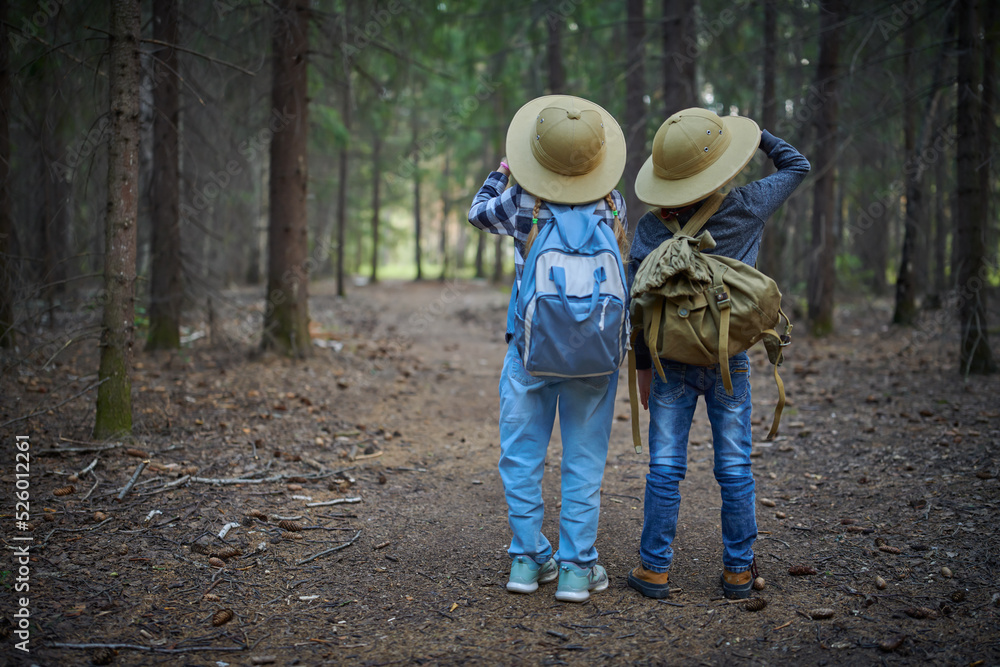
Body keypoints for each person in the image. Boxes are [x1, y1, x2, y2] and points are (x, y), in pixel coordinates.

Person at [625, 108, 810, 600]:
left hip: (670, 365)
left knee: (665, 468)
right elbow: (797, 166)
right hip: (731, 361)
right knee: (734, 468)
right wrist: (757, 133)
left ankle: (655, 570)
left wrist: (643, 369)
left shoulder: (649, 230)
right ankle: (738, 572)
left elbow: (639, 310)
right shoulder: (748, 205)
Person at [467, 95, 629, 602]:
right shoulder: (613, 203)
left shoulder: (521, 203)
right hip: (595, 357)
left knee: (521, 457)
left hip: (529, 349)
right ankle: (577, 569)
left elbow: (477, 212)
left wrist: (502, 172)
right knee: (584, 463)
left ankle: (527, 558)